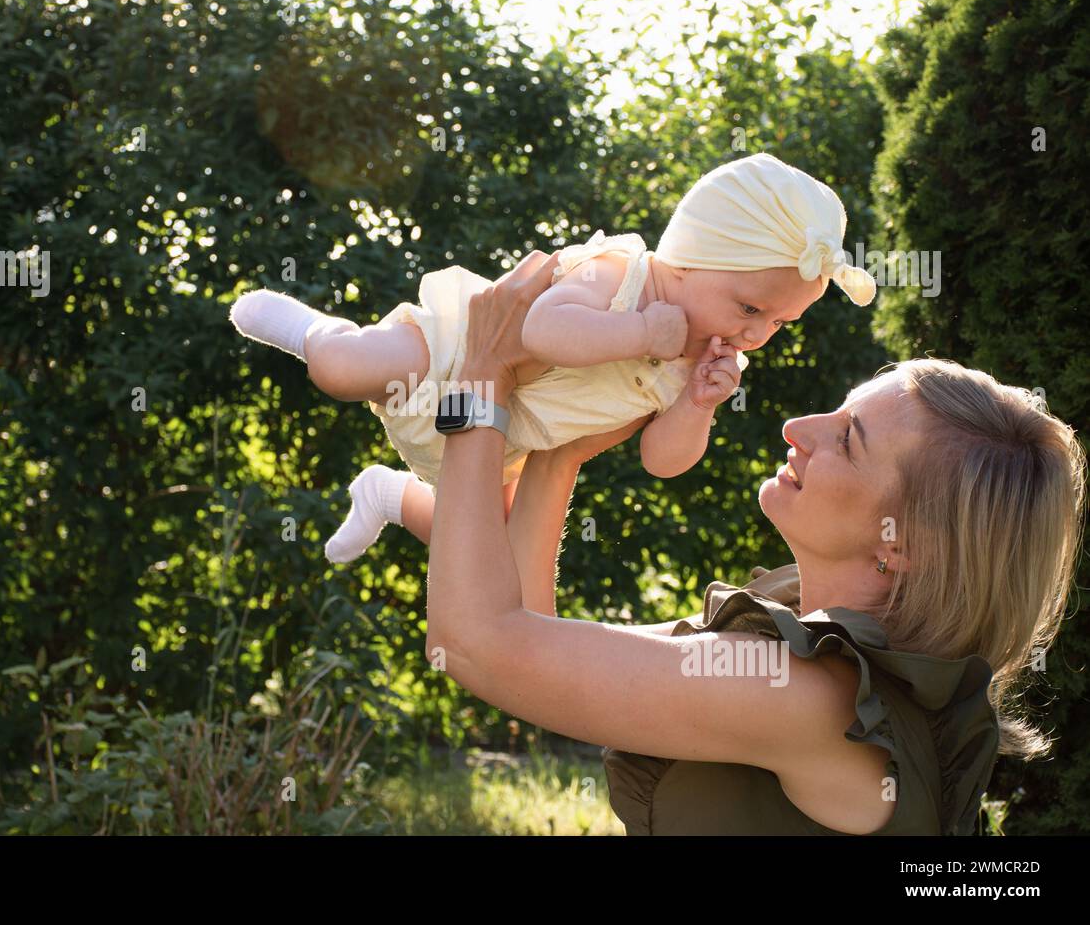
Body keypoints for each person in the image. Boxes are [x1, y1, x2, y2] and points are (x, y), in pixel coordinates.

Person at [421, 249, 1086, 835]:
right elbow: (535, 648)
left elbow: (478, 645)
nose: (799, 428)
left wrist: (484, 377)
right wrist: (559, 454)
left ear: (905, 547)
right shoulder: (801, 630)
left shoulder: (809, 698)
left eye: (847, 440)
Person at [229, 154, 878, 562]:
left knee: (491, 547)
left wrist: (698, 406)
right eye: (748, 308)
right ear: (691, 260)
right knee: (344, 371)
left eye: (779, 323)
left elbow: (662, 461)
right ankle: (316, 331)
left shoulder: (693, 366)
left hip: (502, 437)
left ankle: (388, 496)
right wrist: (646, 334)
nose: (757, 333)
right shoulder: (623, 273)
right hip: (448, 358)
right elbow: (543, 330)